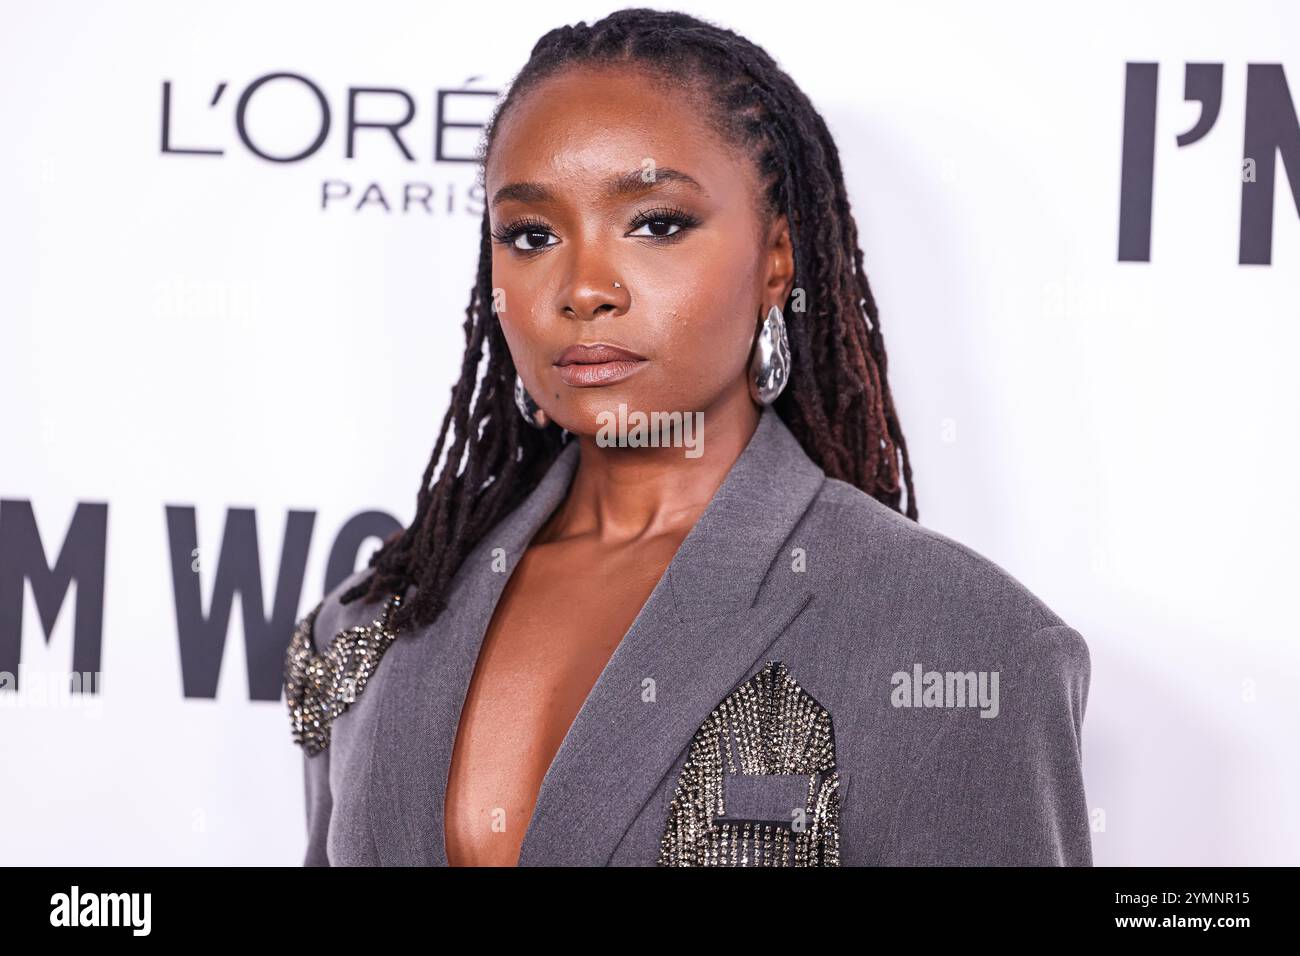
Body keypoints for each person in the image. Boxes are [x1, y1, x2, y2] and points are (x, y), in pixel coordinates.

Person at [283, 7, 1092, 867]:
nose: (583, 287)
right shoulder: (372, 623)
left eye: (657, 223)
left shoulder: (963, 644)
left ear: (776, 259)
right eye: (532, 235)